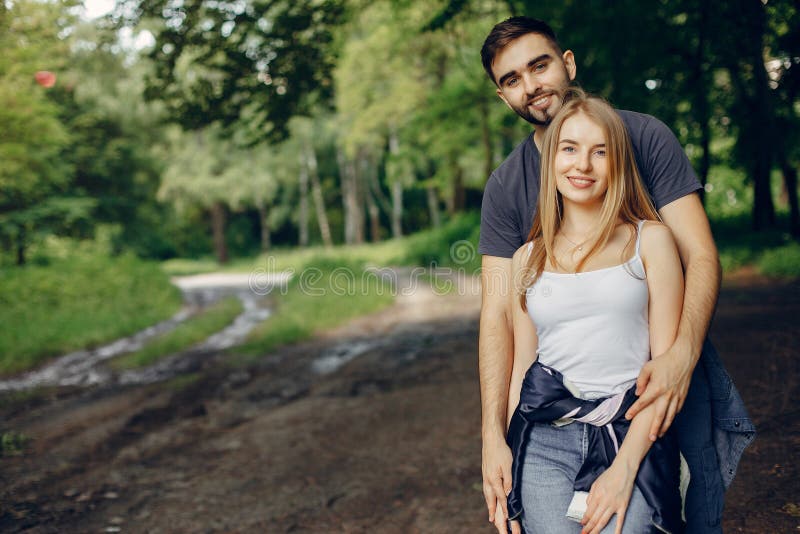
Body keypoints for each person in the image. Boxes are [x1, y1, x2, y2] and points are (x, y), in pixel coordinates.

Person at [477, 17, 755, 534]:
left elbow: (700, 255)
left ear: (568, 63)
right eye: (512, 79)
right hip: (556, 406)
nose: (531, 85)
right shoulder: (505, 188)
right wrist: (495, 433)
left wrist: (680, 356)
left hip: (659, 368)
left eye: (539, 65)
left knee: (691, 513)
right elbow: (498, 310)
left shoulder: (643, 137)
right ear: (502, 96)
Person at [506, 88, 684, 533]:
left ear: (617, 164)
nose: (582, 165)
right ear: (552, 161)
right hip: (546, 444)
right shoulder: (526, 259)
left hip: (630, 438)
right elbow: (523, 372)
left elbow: (665, 374)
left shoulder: (652, 242)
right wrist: (505, 457)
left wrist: (624, 469)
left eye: (599, 152)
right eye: (569, 149)